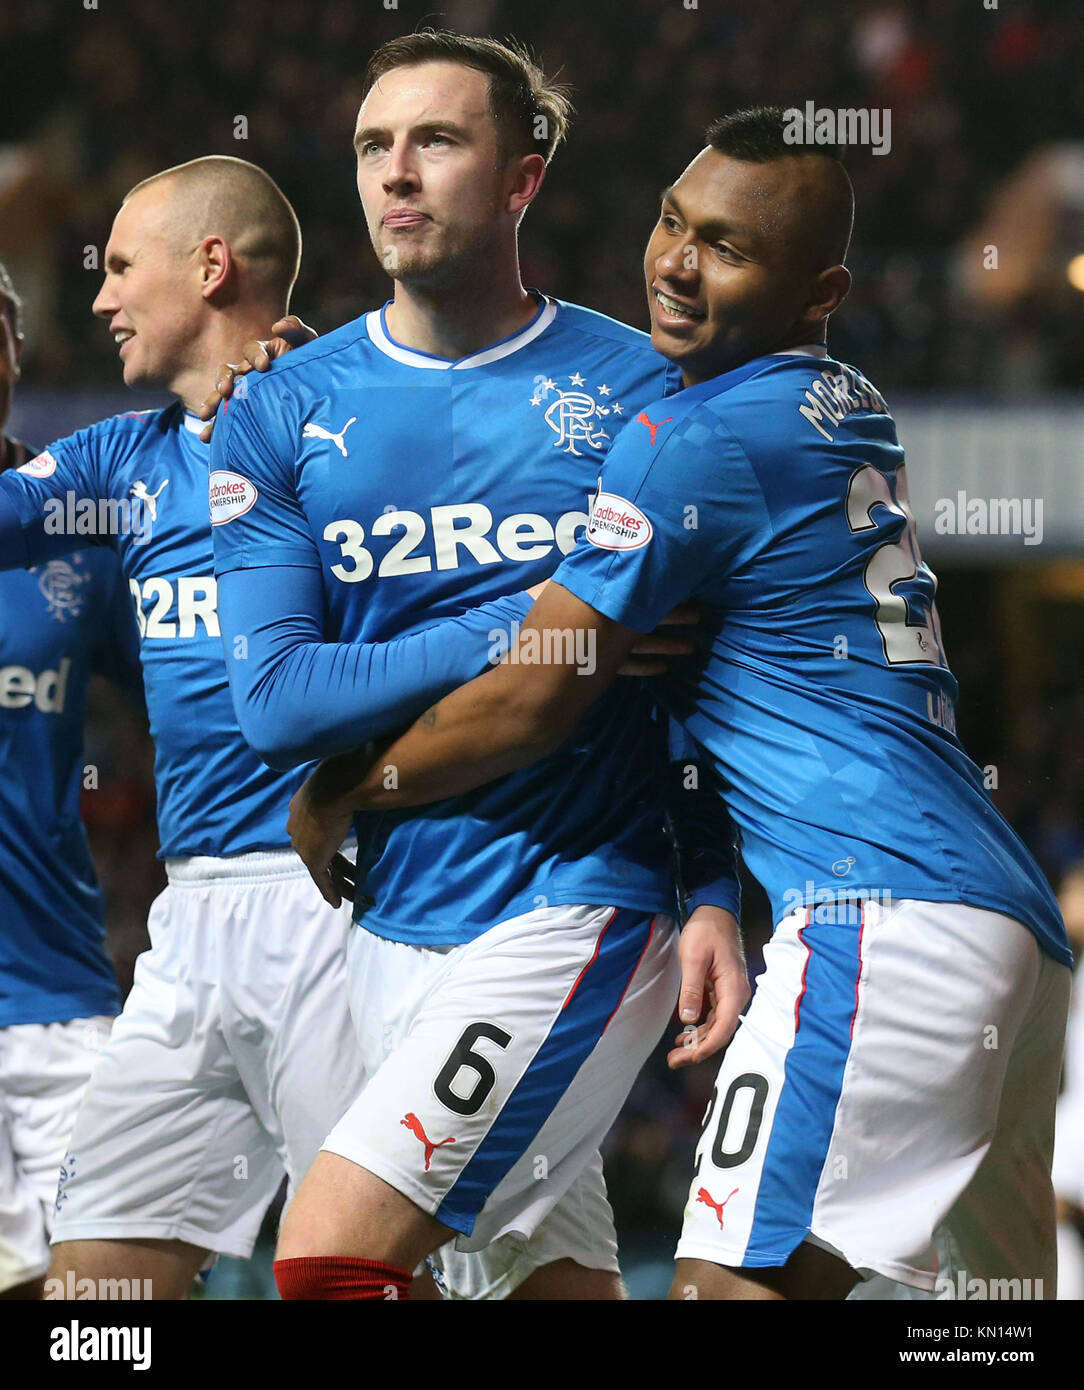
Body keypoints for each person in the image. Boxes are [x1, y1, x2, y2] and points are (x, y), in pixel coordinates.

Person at [293, 106, 1072, 1301]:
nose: (675, 262)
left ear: (819, 291)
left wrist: (354, 786)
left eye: (727, 248)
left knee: (718, 1288)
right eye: (672, 221)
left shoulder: (691, 434)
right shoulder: (842, 398)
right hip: (1006, 926)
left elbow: (533, 698)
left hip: (876, 910)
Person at [209, 32, 745, 1301]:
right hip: (387, 917)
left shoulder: (644, 389)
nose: (395, 173)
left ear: (522, 179)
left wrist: (714, 887)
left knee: (328, 1255)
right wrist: (539, 617)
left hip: (580, 895)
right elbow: (276, 700)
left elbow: (700, 678)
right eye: (372, 147)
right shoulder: (279, 405)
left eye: (436, 141)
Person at [0, 158, 384, 1299]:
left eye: (122, 267)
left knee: (362, 1270)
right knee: (94, 1291)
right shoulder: (122, 461)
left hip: (340, 904)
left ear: (210, 267)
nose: (101, 296)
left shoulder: (354, 424)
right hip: (190, 922)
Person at [0, 262, 143, 1300]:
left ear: (16, 354)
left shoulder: (73, 536)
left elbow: (196, 705)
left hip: (57, 993)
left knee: (109, 1297)